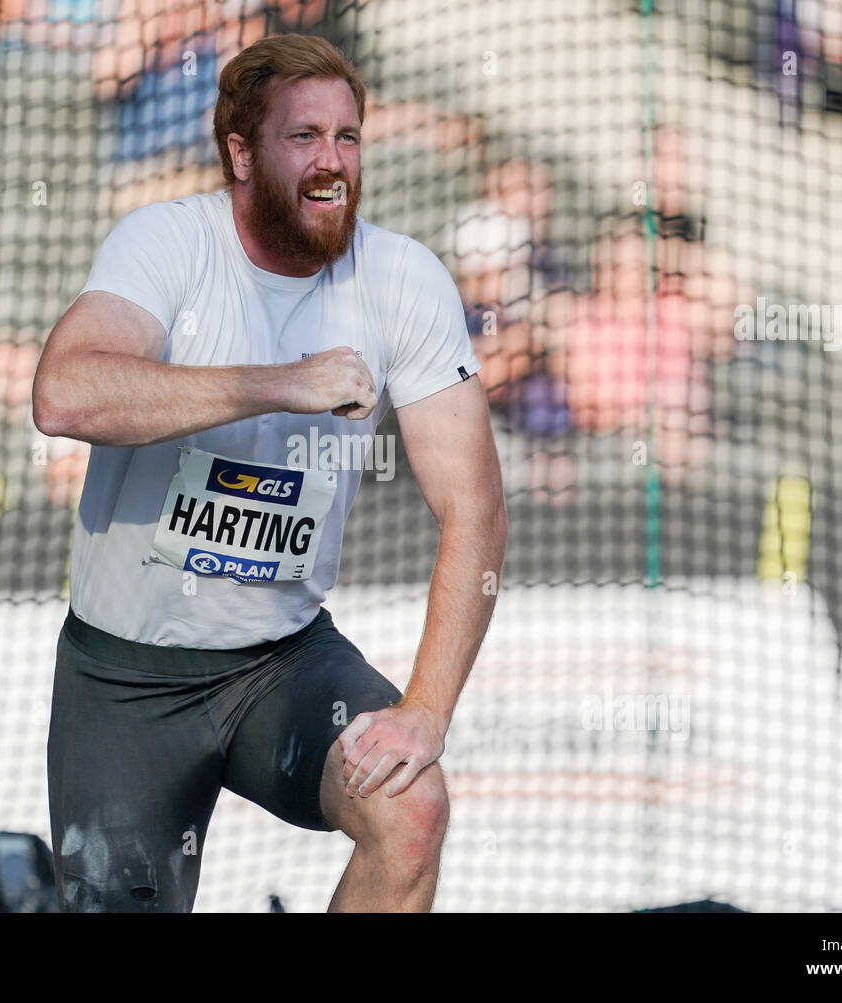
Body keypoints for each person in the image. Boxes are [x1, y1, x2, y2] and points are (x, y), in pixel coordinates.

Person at [32, 32, 507, 912]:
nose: (332, 163)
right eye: (304, 138)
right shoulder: (167, 243)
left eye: (348, 137)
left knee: (410, 806)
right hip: (127, 679)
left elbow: (474, 504)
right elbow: (63, 394)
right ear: (240, 152)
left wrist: (427, 710)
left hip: (279, 665)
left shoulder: (402, 278)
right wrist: (280, 384)